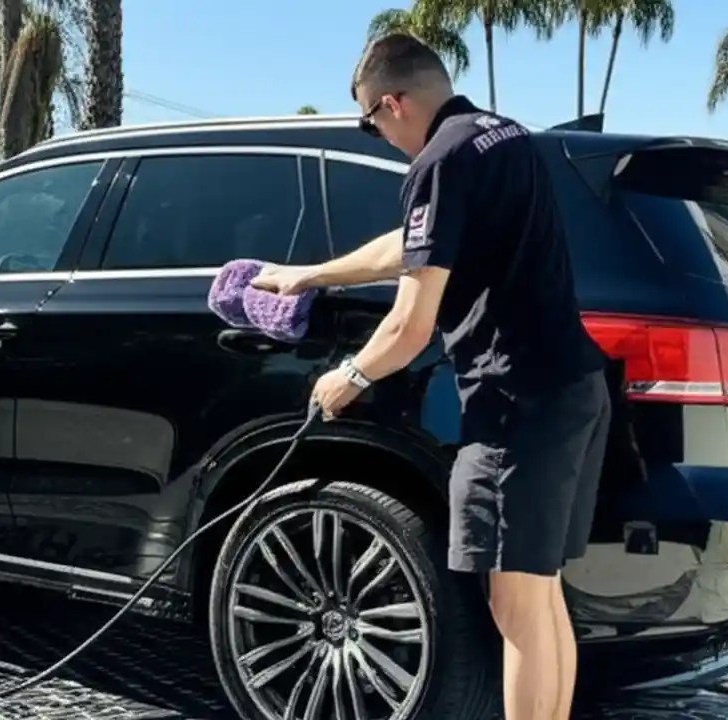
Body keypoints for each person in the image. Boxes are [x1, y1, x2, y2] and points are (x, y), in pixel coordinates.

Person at [252, 33, 611, 720]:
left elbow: (411, 326)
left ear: (392, 102)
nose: (377, 134)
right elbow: (414, 243)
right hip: (570, 388)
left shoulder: (440, 161)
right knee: (539, 596)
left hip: (514, 402)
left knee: (515, 604)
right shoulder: (503, 137)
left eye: (370, 120)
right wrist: (311, 274)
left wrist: (346, 376)